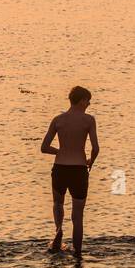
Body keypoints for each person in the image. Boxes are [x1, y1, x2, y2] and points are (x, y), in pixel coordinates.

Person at [41, 86, 99, 256]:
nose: (89, 103)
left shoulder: (58, 119)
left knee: (58, 204)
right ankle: (78, 253)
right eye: (88, 100)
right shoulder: (88, 120)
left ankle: (58, 230)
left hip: (60, 169)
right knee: (78, 216)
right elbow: (96, 148)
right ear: (81, 101)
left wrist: (60, 151)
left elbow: (44, 148)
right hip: (79, 170)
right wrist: (91, 162)